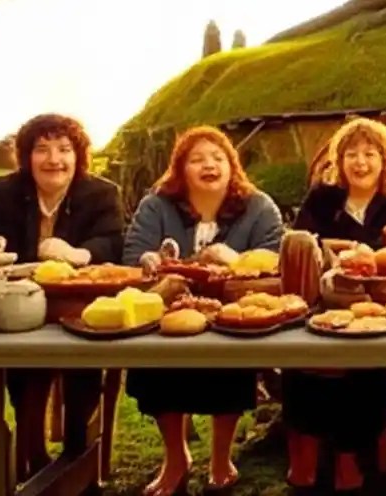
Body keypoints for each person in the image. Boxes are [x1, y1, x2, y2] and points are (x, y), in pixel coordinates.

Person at [124, 126, 283, 495]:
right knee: (157, 367)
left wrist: (235, 263)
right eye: (196, 159)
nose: (208, 165)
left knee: (227, 366)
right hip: (167, 312)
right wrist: (152, 263)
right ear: (181, 169)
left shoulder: (259, 207)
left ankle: (221, 457)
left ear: (232, 166)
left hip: (233, 313)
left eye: (217, 158)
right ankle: (175, 457)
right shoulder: (156, 205)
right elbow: (134, 257)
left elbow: (274, 263)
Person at [0, 113, 124, 479]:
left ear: (78, 156)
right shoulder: (1, 192)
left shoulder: (102, 193)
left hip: (79, 305)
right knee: (25, 372)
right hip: (17, 305)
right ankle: (33, 455)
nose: (54, 159)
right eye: (42, 150)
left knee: (82, 370)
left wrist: (80, 253)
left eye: (64, 149)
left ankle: (77, 456)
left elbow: (114, 242)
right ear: (26, 156)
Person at [285, 118, 386, 491]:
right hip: (322, 302)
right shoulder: (322, 198)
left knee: (366, 362)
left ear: (385, 160)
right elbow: (302, 243)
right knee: (302, 354)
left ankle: (348, 456)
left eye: (370, 154)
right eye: (352, 155)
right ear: (339, 162)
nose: (361, 162)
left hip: (376, 304)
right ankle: (305, 451)